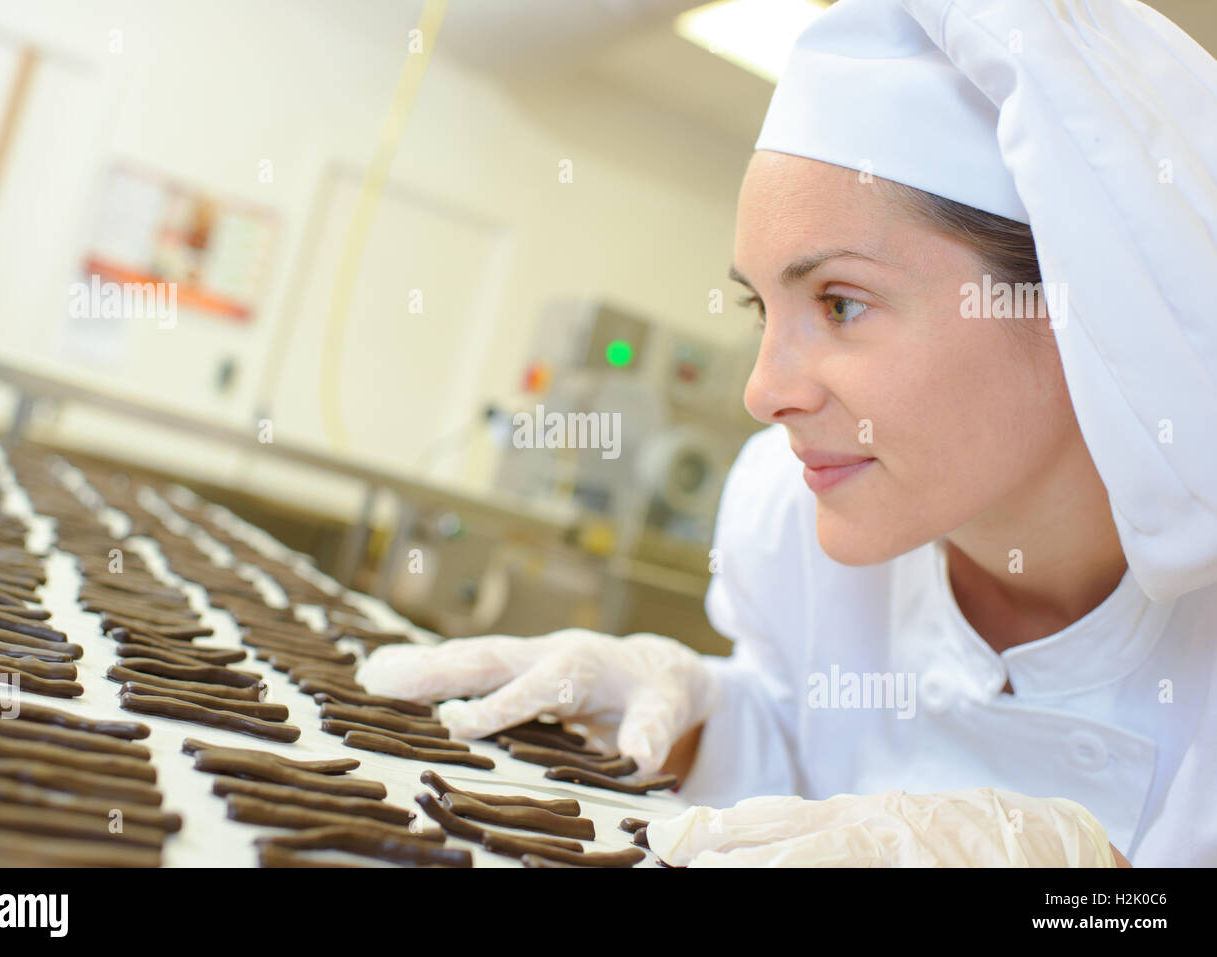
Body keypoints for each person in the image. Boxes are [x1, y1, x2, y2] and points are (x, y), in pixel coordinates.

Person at [360, 0, 1217, 866]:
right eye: (759, 308)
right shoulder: (790, 511)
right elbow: (799, 748)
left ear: (1079, 304)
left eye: (841, 304)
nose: (762, 392)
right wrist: (696, 724)